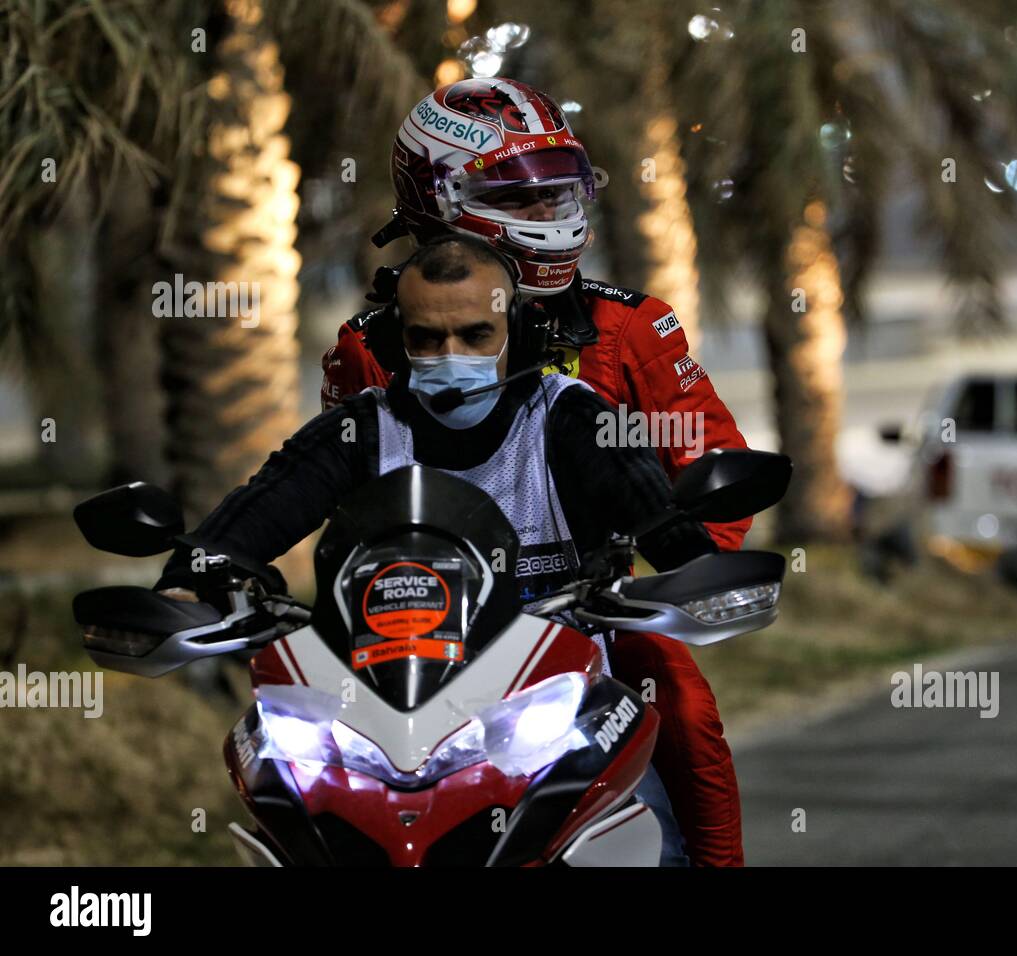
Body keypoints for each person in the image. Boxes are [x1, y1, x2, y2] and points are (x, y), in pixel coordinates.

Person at [158, 236, 721, 863]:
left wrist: (696, 571)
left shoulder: (570, 417)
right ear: (399, 341)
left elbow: (656, 512)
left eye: (476, 335)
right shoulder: (363, 426)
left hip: (549, 722)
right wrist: (189, 581)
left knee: (656, 849)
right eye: (426, 339)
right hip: (380, 724)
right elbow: (263, 504)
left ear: (521, 331)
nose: (449, 356)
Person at [320, 78, 750, 865]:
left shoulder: (631, 325)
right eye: (526, 199)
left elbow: (711, 463)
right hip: (427, 633)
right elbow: (343, 502)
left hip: (593, 623)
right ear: (442, 202)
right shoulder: (367, 344)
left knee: (684, 711)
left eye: (561, 194)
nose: (554, 218)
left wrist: (680, 564)